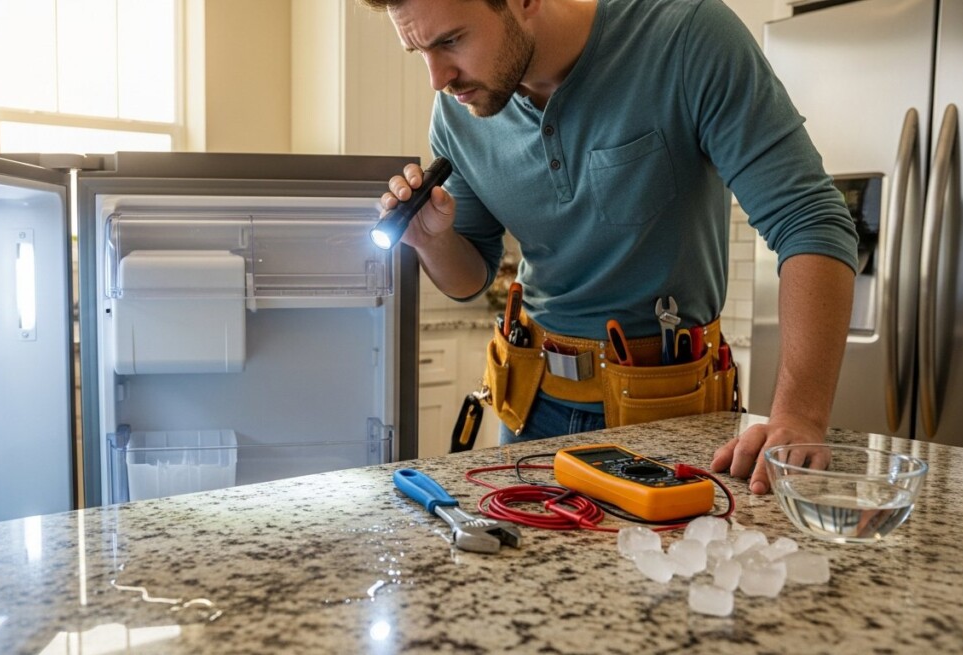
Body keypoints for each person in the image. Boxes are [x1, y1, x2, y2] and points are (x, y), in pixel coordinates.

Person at [359, 0, 858, 494]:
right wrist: (433, 240)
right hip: (530, 405)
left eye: (450, 41)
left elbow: (810, 219)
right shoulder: (459, 109)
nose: (437, 77)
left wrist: (800, 416)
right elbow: (471, 278)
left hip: (669, 408)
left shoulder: (686, 37)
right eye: (417, 50)